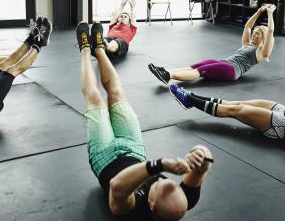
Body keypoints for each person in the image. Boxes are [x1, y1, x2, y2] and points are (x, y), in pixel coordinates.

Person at [77, 21, 213, 220]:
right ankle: (99, 49)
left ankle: (84, 49)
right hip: (134, 149)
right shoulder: (183, 200)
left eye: (157, 183)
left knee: (94, 97)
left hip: (104, 157)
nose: (158, 180)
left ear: (151, 204)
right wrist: (201, 157)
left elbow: (117, 187)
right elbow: (204, 164)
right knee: (116, 94)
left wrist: (159, 165)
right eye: (170, 181)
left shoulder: (134, 209)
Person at [149, 4, 276, 84]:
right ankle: (163, 70)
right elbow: (248, 27)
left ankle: (168, 76)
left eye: (258, 33)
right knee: (194, 66)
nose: (254, 34)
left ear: (263, 38)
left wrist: (270, 13)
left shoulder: (260, 52)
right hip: (224, 62)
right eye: (254, 32)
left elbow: (270, 31)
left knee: (199, 71)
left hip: (232, 70)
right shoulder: (247, 44)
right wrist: (259, 11)